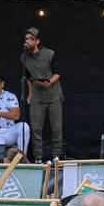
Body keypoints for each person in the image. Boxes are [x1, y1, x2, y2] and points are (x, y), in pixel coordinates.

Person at [20, 27, 63, 162]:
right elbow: (27, 78)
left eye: (31, 39)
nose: (28, 41)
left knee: (56, 128)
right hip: (37, 96)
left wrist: (49, 82)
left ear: (37, 41)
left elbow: (58, 72)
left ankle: (56, 156)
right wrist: (30, 95)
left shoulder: (49, 54)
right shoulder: (24, 58)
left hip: (53, 95)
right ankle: (38, 157)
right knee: (36, 129)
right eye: (26, 38)